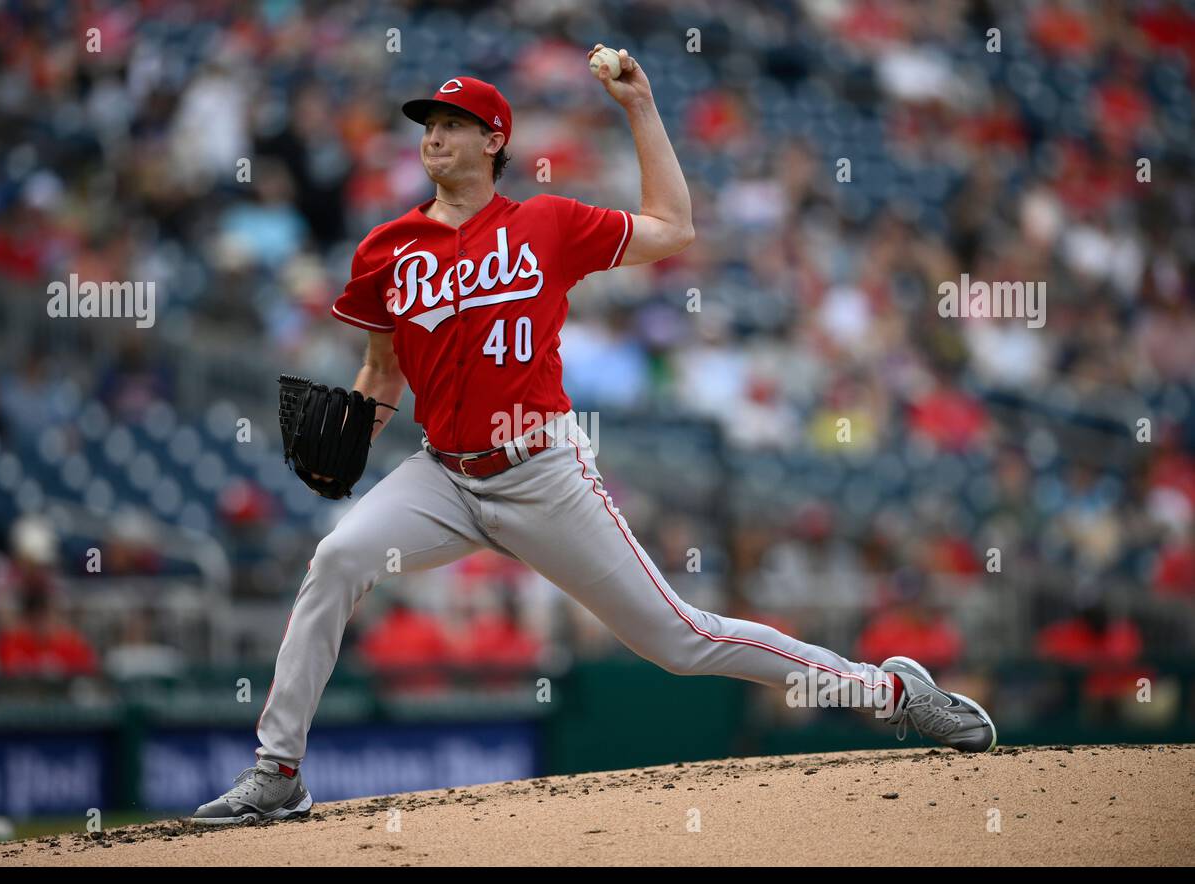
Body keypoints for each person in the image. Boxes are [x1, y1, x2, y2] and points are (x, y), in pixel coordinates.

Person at [192, 48, 997, 826]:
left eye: (452, 122)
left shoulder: (547, 223)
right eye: (427, 123)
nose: (432, 136)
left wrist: (640, 108)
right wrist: (356, 438)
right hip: (442, 476)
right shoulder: (387, 249)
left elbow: (673, 226)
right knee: (336, 557)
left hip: (541, 471)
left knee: (681, 641)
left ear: (494, 140)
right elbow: (381, 371)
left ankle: (889, 694)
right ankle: (278, 773)